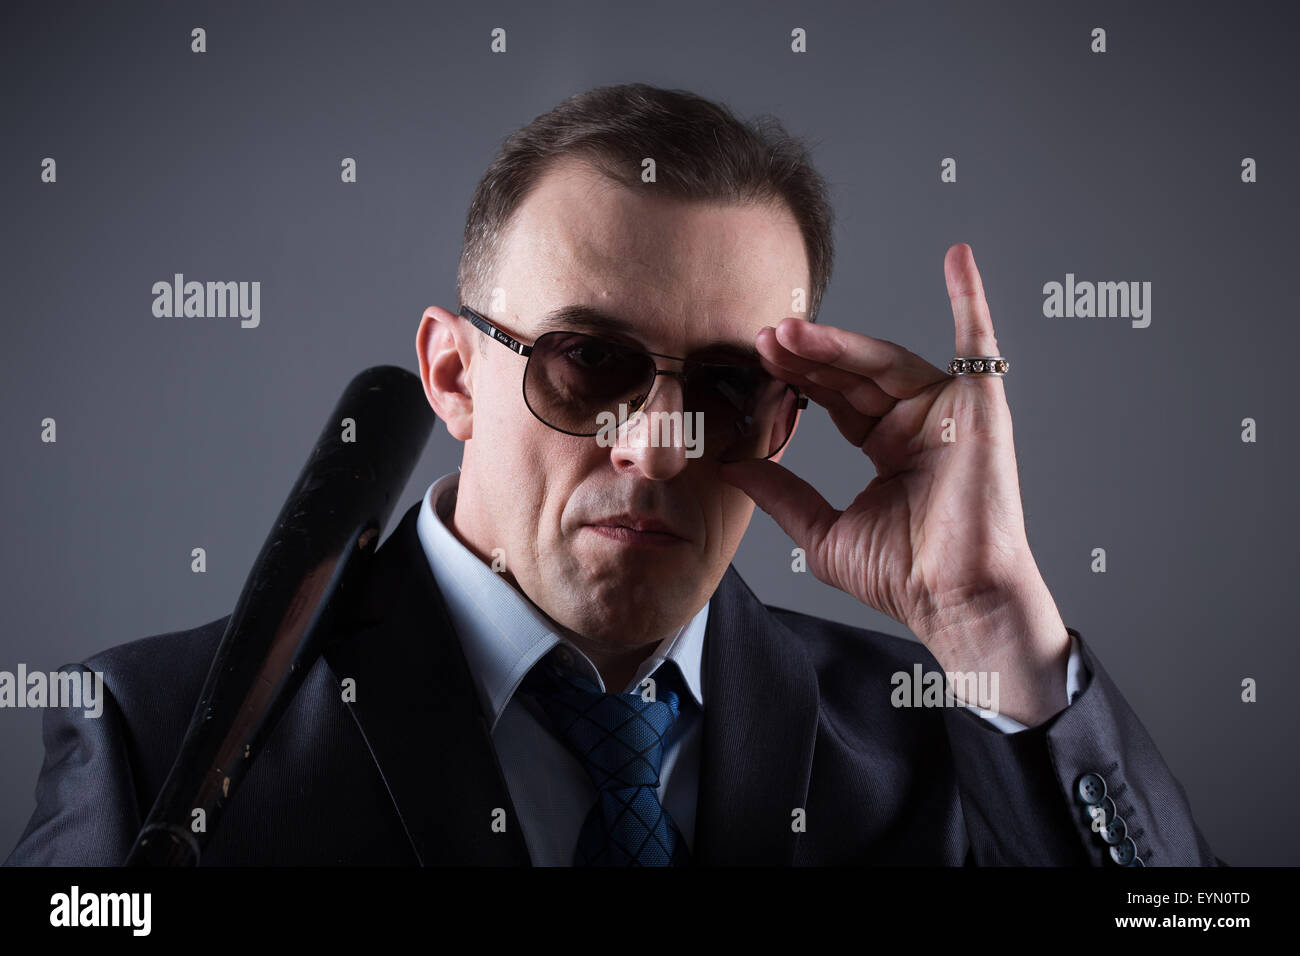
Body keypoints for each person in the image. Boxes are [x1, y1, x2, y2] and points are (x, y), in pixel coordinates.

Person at [5, 83, 1220, 866]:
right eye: (588, 362)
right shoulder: (162, 744)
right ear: (451, 374)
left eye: (727, 388)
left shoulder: (934, 735)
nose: (651, 446)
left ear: (784, 423)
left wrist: (994, 626)